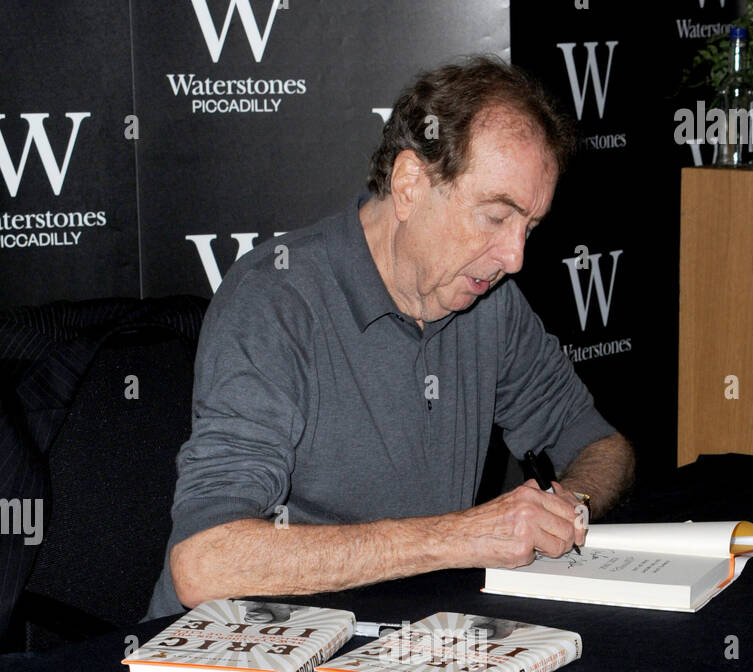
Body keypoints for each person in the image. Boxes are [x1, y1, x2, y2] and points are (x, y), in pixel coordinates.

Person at [148, 56, 634, 619]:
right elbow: (205, 563)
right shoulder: (276, 300)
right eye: (496, 217)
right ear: (409, 185)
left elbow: (600, 446)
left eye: (529, 226)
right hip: (231, 668)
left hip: (398, 646)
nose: (515, 257)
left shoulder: (490, 301)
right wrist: (460, 536)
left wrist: (568, 504)